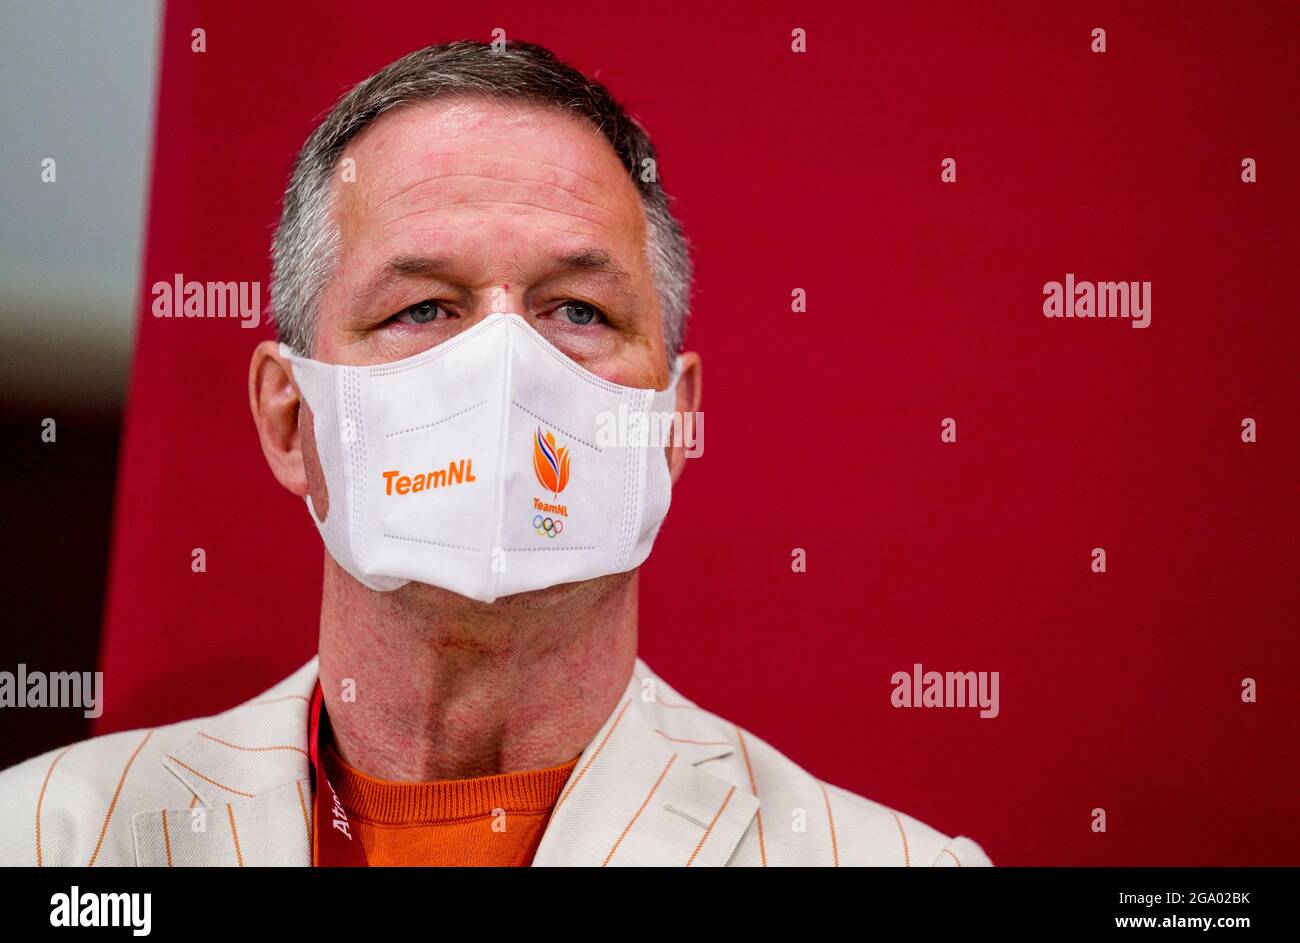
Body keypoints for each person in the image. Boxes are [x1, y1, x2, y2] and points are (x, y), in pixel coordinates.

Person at [0, 40, 992, 867]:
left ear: (674, 421)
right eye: (423, 306)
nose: (504, 367)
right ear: (292, 418)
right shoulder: (47, 841)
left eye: (578, 309)